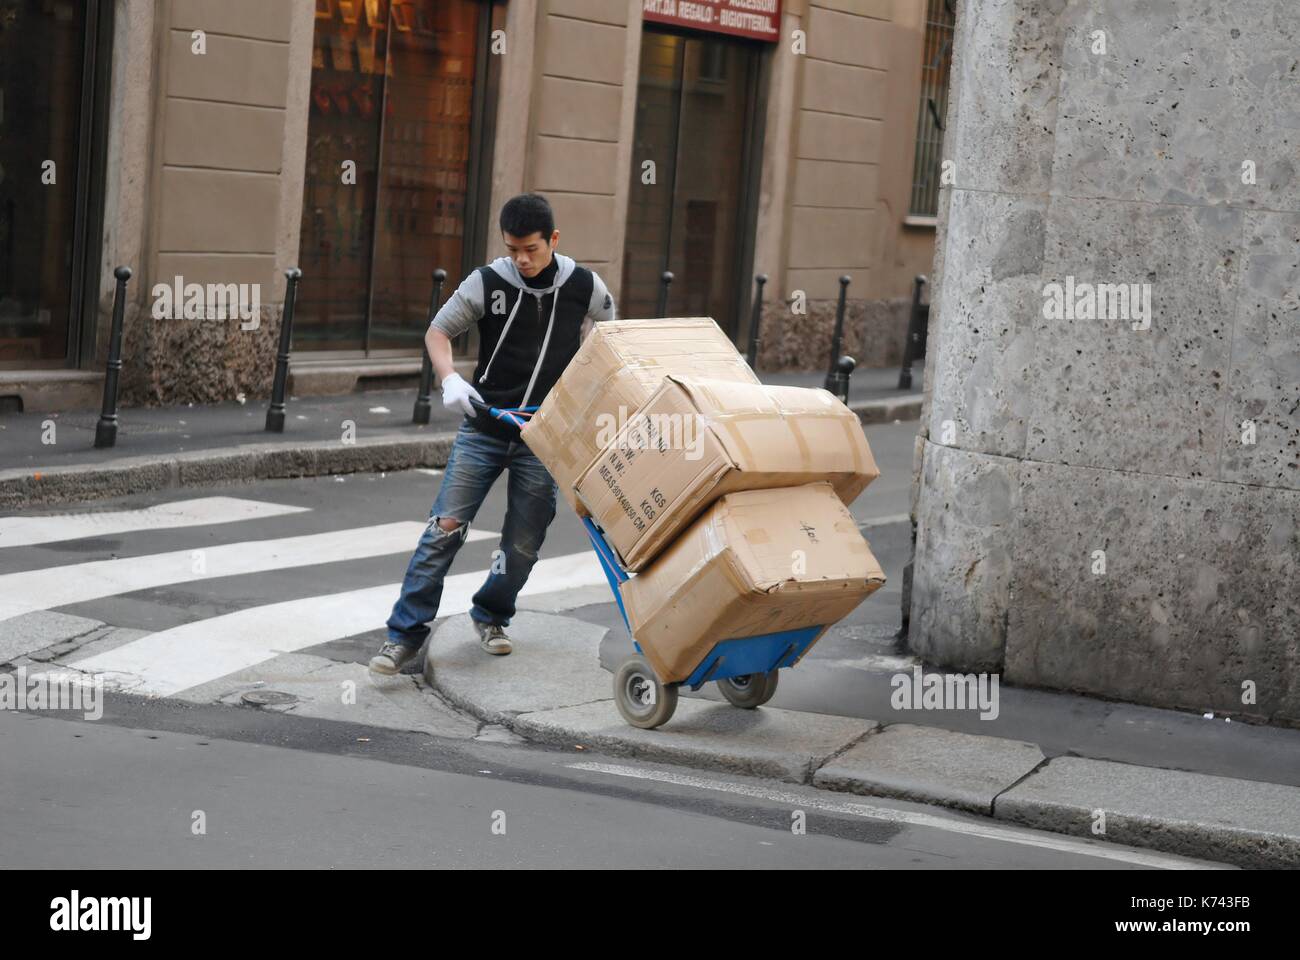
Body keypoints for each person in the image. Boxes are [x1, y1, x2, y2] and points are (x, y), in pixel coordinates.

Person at [369, 193, 616, 674]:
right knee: (444, 529)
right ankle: (403, 637)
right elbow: (438, 333)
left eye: (531, 249)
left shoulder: (586, 287)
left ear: (554, 240)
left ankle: (490, 614)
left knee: (524, 540)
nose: (521, 260)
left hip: (542, 435)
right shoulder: (486, 282)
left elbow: (608, 346)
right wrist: (450, 379)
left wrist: (586, 406)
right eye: (512, 249)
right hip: (483, 427)